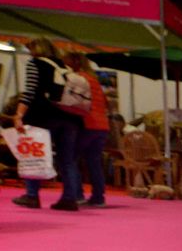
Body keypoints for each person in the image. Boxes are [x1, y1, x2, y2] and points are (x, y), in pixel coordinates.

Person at [11, 37, 82, 210]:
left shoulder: (35, 64)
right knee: (67, 160)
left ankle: (32, 196)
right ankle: (69, 198)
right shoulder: (65, 67)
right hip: (70, 117)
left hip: (43, 116)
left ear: (37, 49)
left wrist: (19, 114)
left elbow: (30, 91)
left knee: (33, 154)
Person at [63, 52, 109, 206]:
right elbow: (105, 103)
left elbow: (73, 101)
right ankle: (98, 197)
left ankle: (77, 195)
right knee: (94, 162)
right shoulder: (94, 80)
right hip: (102, 125)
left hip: (87, 124)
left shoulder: (76, 79)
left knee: (71, 159)